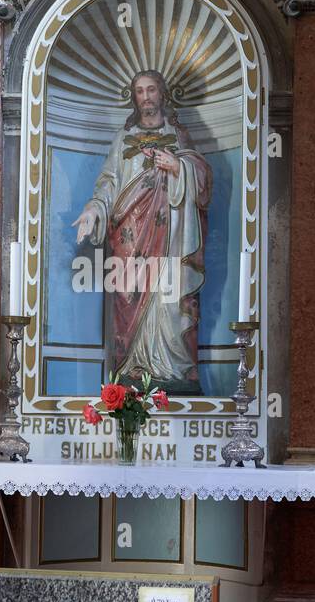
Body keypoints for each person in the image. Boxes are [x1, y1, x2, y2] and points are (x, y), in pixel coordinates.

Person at [73, 69, 212, 394]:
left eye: (151, 90)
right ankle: (131, 367)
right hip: (131, 237)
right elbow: (109, 182)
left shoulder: (178, 135)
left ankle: (174, 369)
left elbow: (203, 175)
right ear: (133, 97)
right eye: (140, 91)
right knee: (129, 297)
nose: (146, 96)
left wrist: (179, 167)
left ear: (162, 93)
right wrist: (94, 208)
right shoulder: (123, 139)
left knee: (169, 300)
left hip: (172, 239)